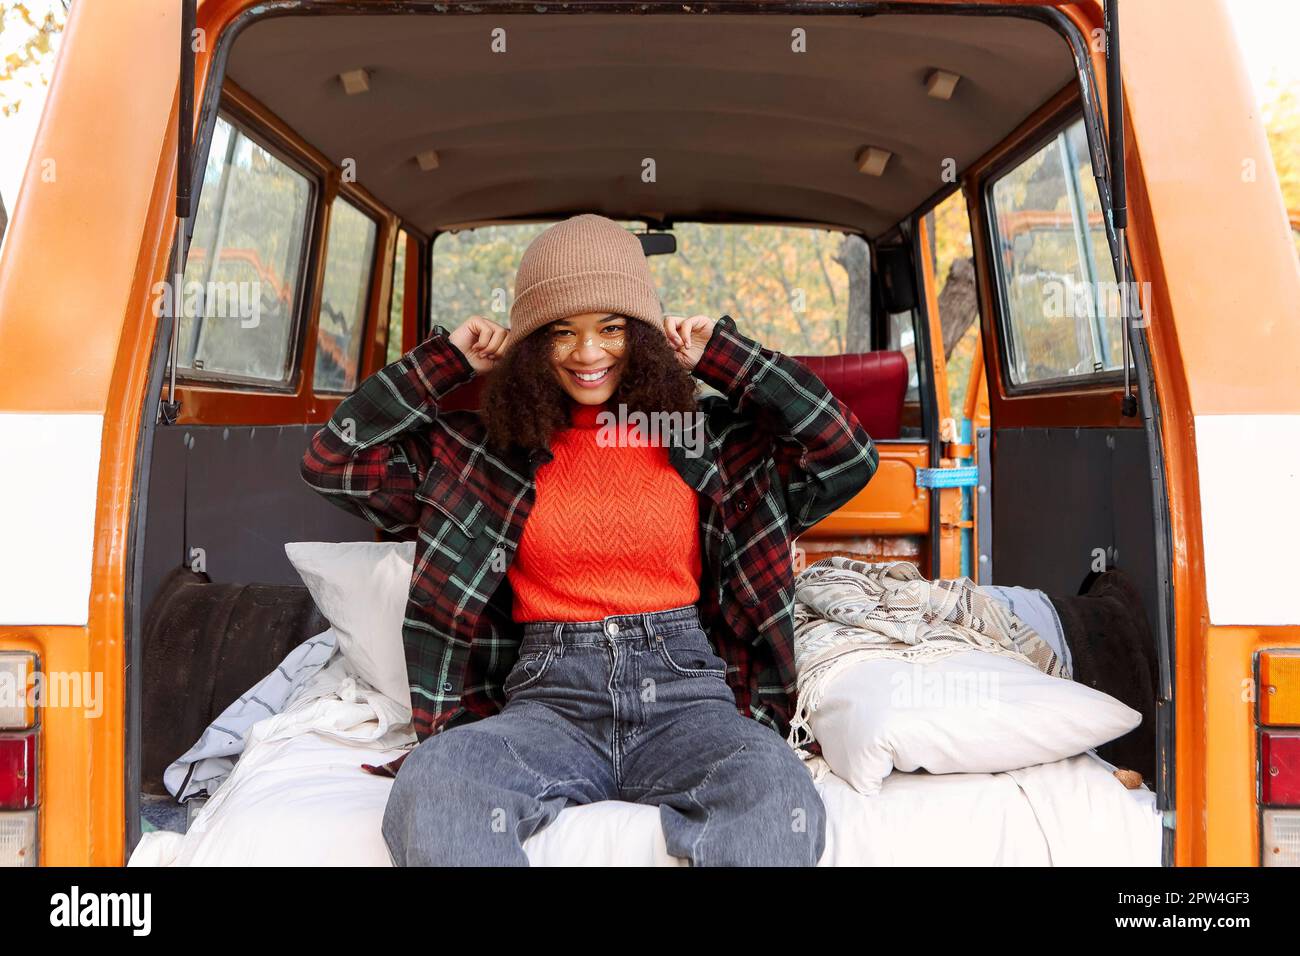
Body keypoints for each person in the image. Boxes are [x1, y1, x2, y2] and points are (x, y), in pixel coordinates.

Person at [301, 213, 878, 865]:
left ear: (645, 336)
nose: (588, 352)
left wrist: (725, 356)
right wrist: (446, 360)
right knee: (436, 784)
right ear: (529, 344)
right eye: (561, 332)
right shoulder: (481, 450)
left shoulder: (702, 437)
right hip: (550, 700)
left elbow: (847, 455)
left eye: (611, 328)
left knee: (780, 795)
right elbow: (332, 462)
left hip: (688, 694)